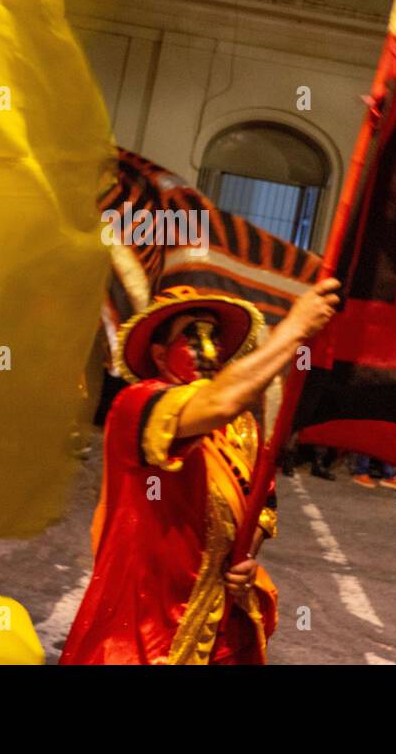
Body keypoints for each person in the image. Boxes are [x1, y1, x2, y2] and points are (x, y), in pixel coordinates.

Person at [60, 278, 341, 664]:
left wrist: (245, 556)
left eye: (214, 337)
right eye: (191, 337)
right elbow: (218, 403)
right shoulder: (137, 405)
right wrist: (293, 330)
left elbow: (262, 503)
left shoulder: (241, 428)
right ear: (160, 356)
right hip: (140, 638)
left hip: (217, 629)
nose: (209, 348)